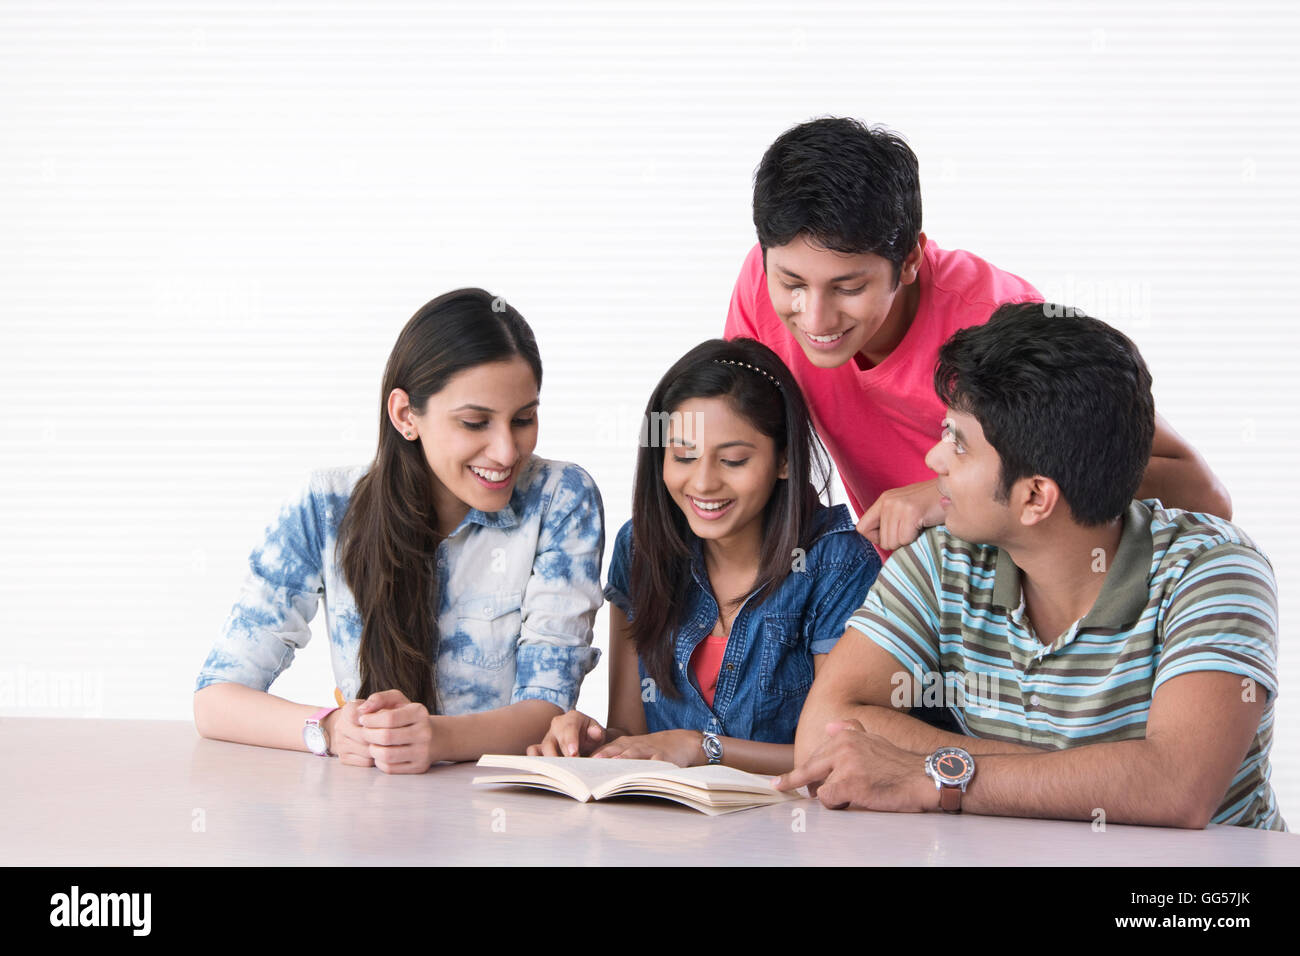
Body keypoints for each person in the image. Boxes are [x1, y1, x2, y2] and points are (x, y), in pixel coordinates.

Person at [776, 303, 1283, 830]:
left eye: (958, 444)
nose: (933, 462)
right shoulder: (942, 559)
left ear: (1036, 497)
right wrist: (1097, 778)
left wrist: (937, 775)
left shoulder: (1215, 572)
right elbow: (822, 733)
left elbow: (1176, 788)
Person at [724, 117, 1232, 553]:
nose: (814, 318)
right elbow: (741, 450)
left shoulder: (1002, 322)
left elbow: (1201, 492)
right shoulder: (763, 278)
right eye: (792, 283)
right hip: (903, 595)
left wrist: (946, 493)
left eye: (848, 287)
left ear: (909, 261)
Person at [193, 288, 605, 774]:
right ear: (406, 415)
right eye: (475, 422)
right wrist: (328, 729)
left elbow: (549, 713)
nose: (506, 451)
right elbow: (215, 701)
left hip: (505, 816)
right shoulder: (325, 508)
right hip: (369, 818)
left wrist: (435, 737)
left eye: (523, 419)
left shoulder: (561, 499)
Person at [529, 338, 880, 774]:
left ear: (785, 460)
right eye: (683, 456)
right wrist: (592, 739)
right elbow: (634, 733)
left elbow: (839, 752)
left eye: (733, 460)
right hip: (672, 832)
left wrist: (703, 747)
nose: (704, 482)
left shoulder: (838, 563)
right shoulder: (641, 548)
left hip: (794, 832)